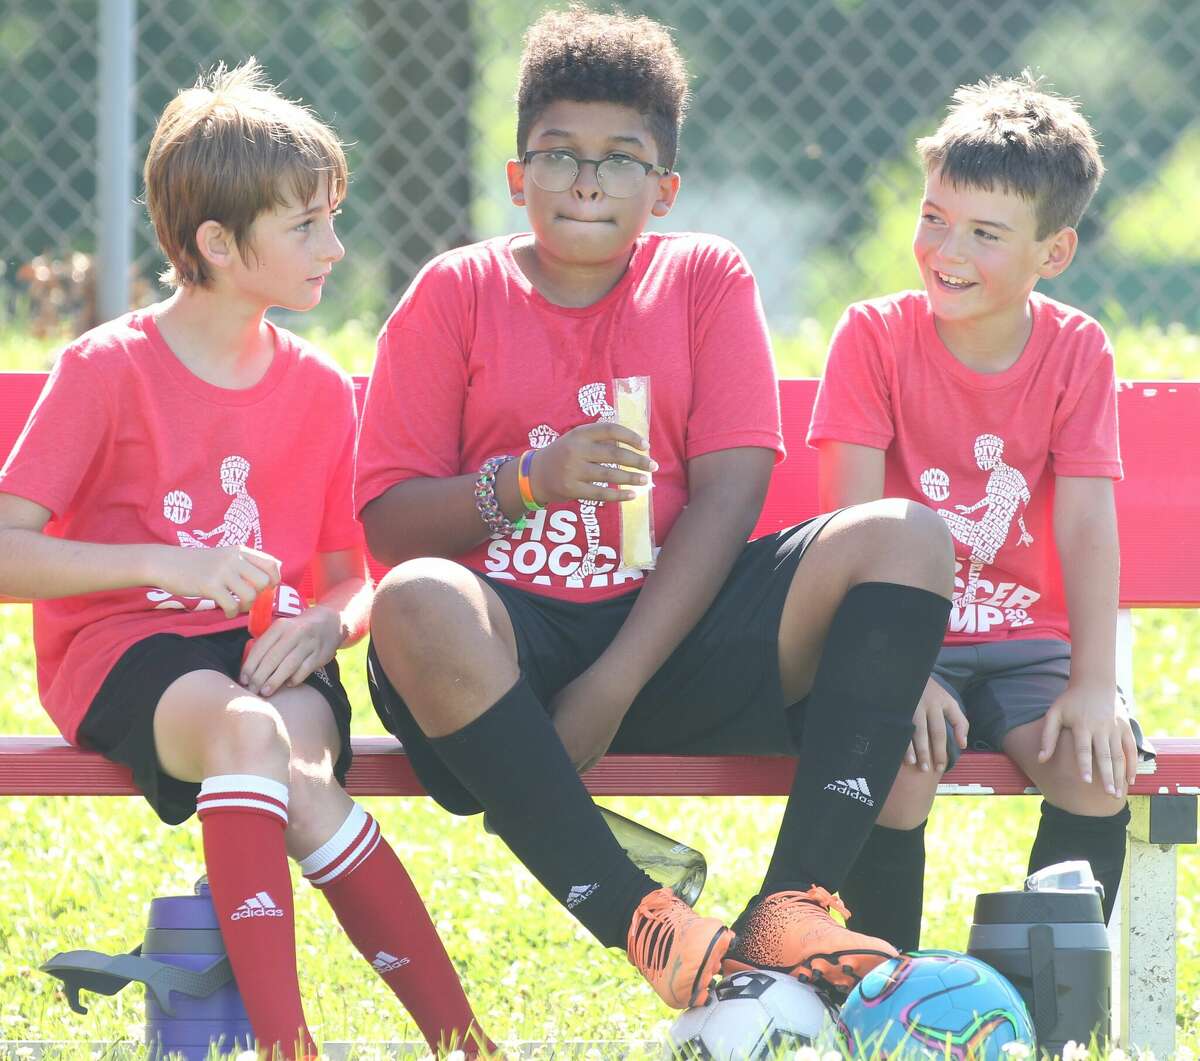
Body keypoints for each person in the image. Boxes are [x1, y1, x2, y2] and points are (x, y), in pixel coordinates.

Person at [356, 5, 954, 1010]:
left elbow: (732, 492)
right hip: (505, 670)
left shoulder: (703, 277)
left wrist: (617, 680)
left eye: (621, 159)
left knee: (908, 536)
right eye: (559, 153)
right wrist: (532, 479)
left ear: (664, 188)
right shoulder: (454, 291)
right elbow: (390, 523)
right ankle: (649, 919)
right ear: (517, 176)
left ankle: (791, 909)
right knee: (415, 596)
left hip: (675, 631)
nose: (587, 180)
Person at [0, 61, 491, 1058]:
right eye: (305, 225)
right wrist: (167, 565)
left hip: (272, 652)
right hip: (129, 652)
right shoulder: (104, 368)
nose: (334, 246)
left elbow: (353, 574)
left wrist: (327, 622)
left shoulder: (321, 389)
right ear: (218, 243)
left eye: (332, 218)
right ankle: (286, 1044)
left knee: (297, 770)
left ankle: (467, 1044)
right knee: (246, 733)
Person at [809, 72, 1141, 951]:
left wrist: (1095, 684)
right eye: (934, 217)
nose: (946, 248)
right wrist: (897, 669)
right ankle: (884, 987)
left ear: (1053, 252)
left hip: (1030, 642)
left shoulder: (1077, 351)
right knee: (898, 766)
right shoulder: (872, 336)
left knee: (1095, 771)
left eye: (985, 233)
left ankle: (1046, 1000)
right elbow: (846, 529)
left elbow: (1086, 523)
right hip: (900, 634)